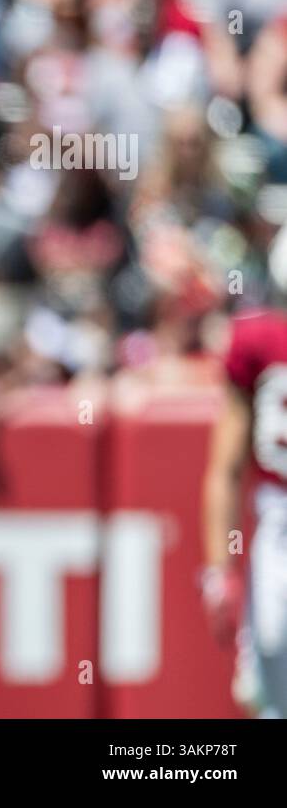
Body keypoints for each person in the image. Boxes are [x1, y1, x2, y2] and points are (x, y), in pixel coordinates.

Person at [201, 234, 287, 719]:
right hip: (276, 533)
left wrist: (219, 570)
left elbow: (226, 469)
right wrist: (218, 568)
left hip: (275, 537)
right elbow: (226, 467)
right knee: (268, 693)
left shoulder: (257, 336)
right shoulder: (258, 341)